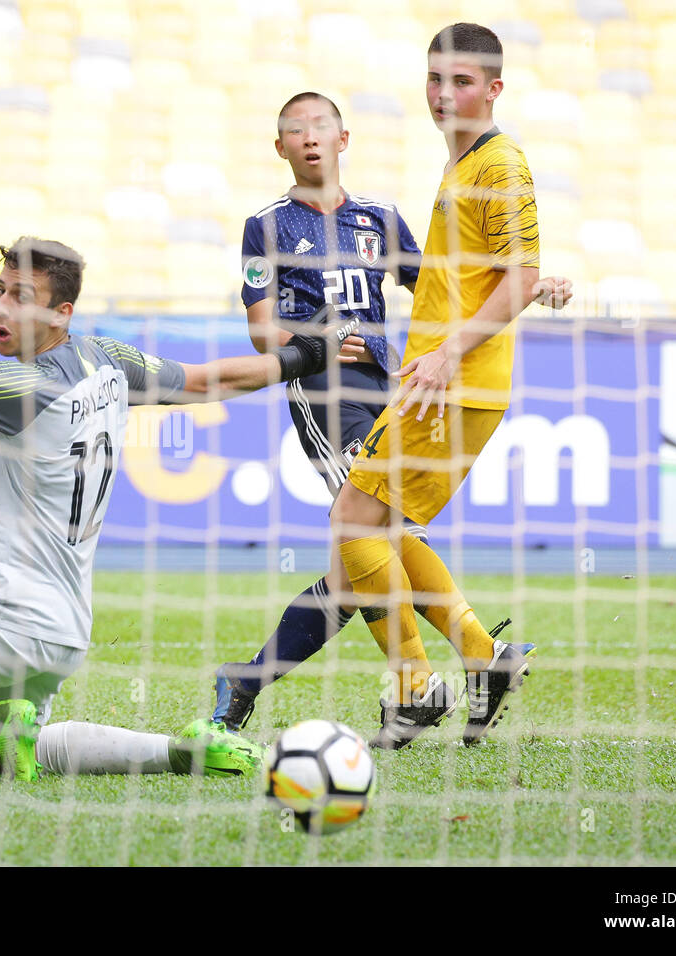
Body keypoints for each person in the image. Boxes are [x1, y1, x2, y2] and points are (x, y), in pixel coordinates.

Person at [0, 202, 357, 779]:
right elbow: (206, 381)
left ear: (61, 313)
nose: (2, 307)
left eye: (22, 297)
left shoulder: (20, 386)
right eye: (0, 290)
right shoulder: (106, 360)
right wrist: (299, 356)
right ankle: (178, 752)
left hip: (3, 620)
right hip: (63, 631)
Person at [211, 88, 572, 735]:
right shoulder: (264, 226)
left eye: (322, 125)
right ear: (280, 147)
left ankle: (247, 682)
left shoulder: (378, 218)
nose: (310, 137)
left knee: (356, 567)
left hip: (392, 390)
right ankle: (460, 665)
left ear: (344, 139)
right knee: (379, 529)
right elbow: (262, 332)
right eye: (296, 129)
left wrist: (528, 283)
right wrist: (312, 342)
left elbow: (443, 286)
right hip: (324, 392)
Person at [329, 22, 572, 749]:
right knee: (379, 526)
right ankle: (482, 658)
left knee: (353, 521)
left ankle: (415, 690)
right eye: (434, 79)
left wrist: (444, 355)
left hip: (453, 384)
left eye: (460, 81)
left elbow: (518, 276)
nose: (442, 94)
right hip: (445, 383)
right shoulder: (463, 162)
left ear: (493, 89)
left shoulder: (500, 162)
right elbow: (504, 273)